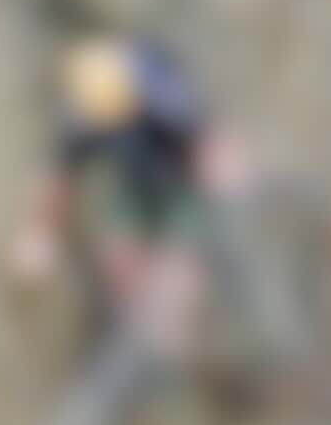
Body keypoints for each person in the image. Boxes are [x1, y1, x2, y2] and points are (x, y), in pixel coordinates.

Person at [17, 32, 228, 369]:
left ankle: (176, 342)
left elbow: (208, 149)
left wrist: (220, 188)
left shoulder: (163, 97)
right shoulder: (84, 116)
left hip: (179, 184)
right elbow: (59, 180)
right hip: (132, 185)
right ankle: (135, 333)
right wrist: (39, 237)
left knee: (181, 269)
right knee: (118, 253)